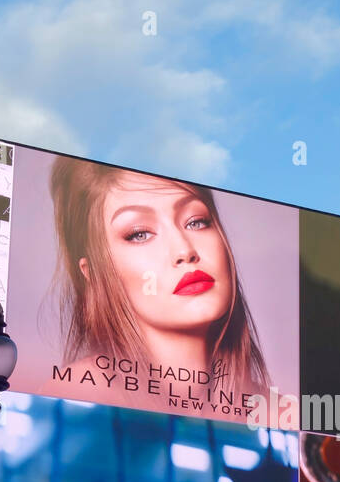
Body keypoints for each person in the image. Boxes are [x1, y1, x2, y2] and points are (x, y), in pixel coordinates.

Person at [40, 160, 272, 414]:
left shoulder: (274, 412)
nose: (185, 250)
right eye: (139, 234)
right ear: (94, 273)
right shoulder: (74, 397)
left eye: (196, 222)